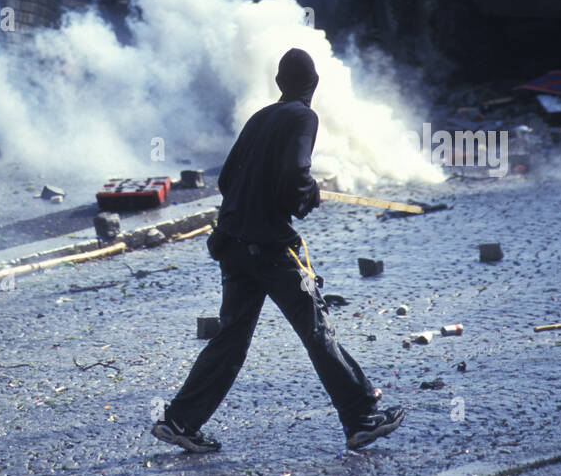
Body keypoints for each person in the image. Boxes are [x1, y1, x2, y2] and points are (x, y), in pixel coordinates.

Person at [151, 49, 404, 454]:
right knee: (317, 328)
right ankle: (360, 418)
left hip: (233, 244)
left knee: (230, 339)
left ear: (279, 83)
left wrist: (270, 196)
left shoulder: (259, 117)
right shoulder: (303, 116)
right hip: (269, 247)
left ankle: (180, 420)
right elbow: (295, 173)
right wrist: (305, 196)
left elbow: (228, 178)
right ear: (313, 85)